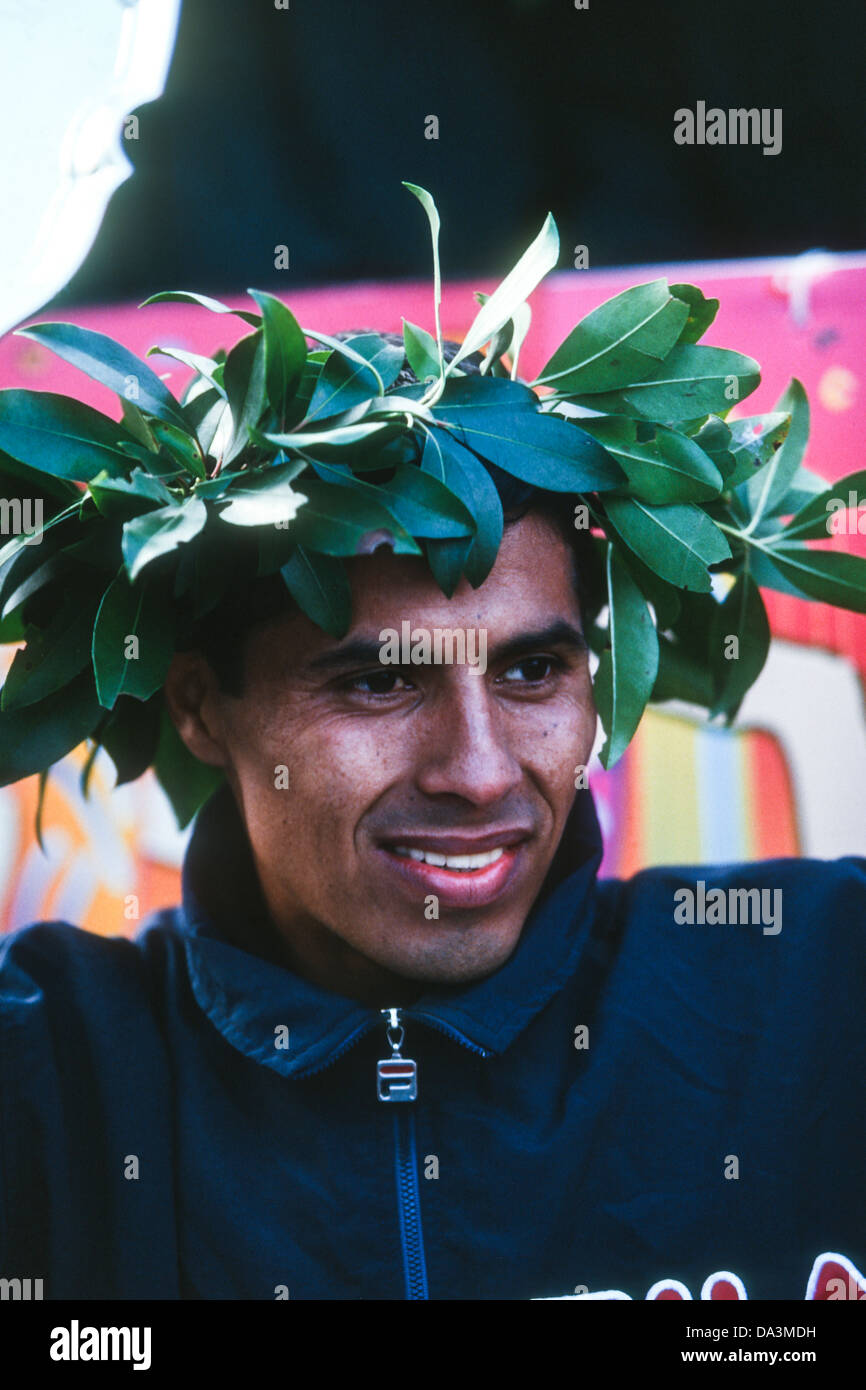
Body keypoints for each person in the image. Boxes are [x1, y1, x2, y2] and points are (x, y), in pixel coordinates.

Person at [0, 208, 864, 1298]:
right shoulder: (53, 1085)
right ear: (198, 708)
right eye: (379, 683)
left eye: (529, 672)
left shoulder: (814, 987)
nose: (482, 770)